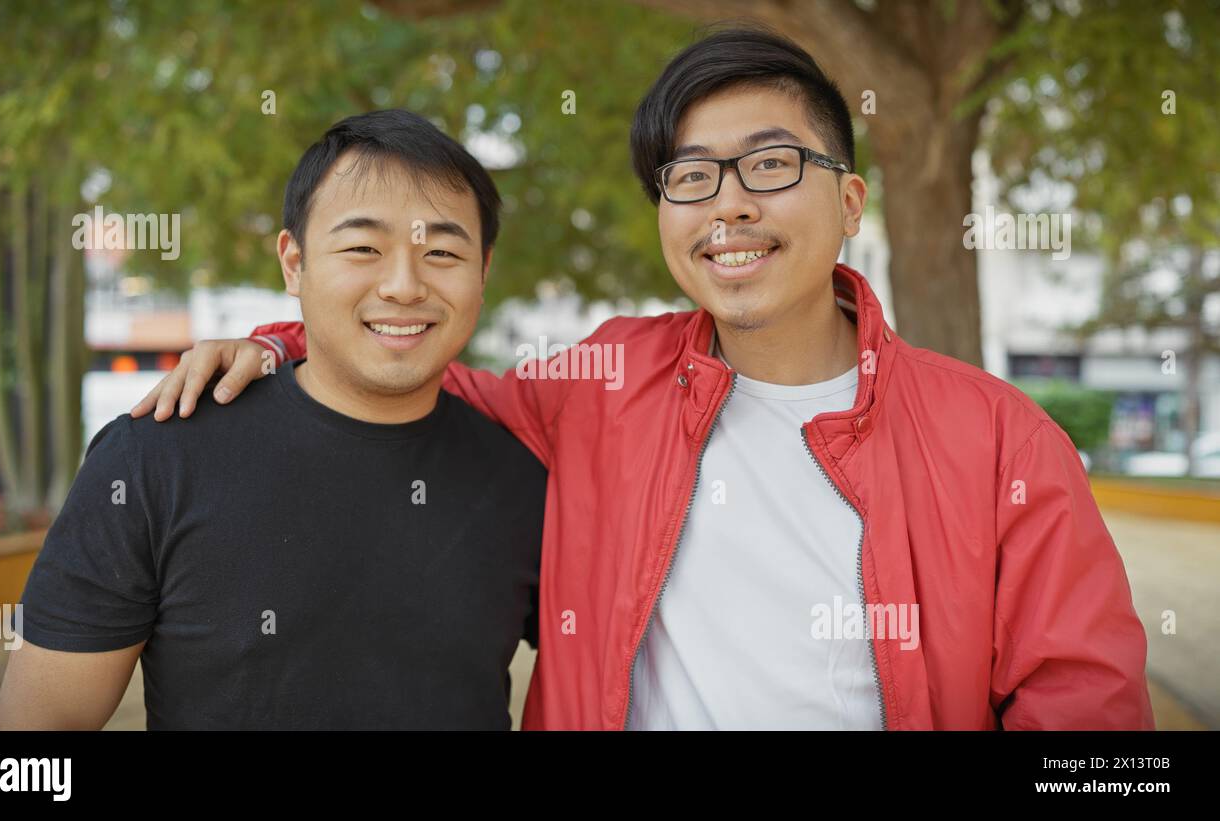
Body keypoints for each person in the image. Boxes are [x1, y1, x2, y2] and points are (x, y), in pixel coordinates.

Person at [135, 28, 1153, 730]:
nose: (728, 205)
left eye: (768, 165)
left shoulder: (996, 435)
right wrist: (278, 337)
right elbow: (417, 364)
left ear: (848, 202)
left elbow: (1083, 706)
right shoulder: (604, 380)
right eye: (689, 175)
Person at [0, 110, 546, 730]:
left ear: (483, 271)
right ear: (294, 263)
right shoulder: (155, 457)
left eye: (442, 251)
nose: (403, 285)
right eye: (363, 247)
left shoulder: (527, 479)